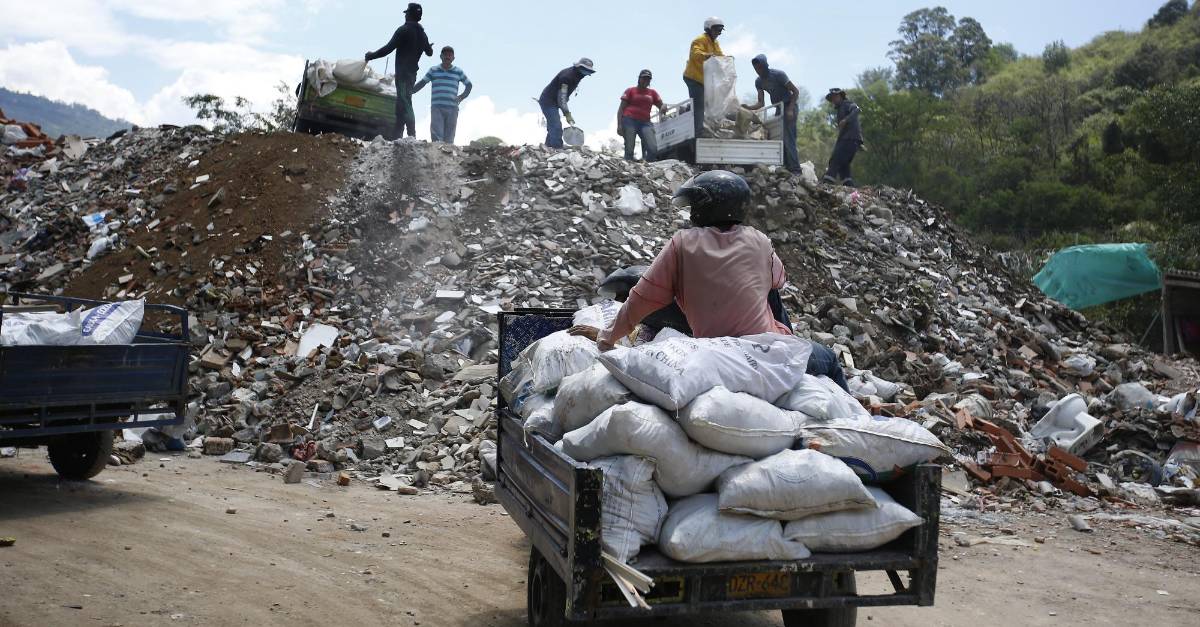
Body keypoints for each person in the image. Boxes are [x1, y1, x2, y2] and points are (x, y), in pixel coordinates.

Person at [570, 170, 849, 389]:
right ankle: (859, 422)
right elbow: (779, 281)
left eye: (694, 206)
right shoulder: (759, 240)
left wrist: (607, 339)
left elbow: (640, 300)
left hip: (720, 357)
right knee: (830, 361)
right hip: (769, 354)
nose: (691, 213)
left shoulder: (682, 244)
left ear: (705, 207)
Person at [365, 2, 434, 139]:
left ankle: (411, 134)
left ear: (409, 14)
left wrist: (371, 55)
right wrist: (428, 46)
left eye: (407, 13)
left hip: (403, 74)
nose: (405, 15)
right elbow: (430, 52)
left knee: (405, 101)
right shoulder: (422, 34)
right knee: (401, 103)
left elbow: (388, 49)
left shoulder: (404, 30)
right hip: (412, 73)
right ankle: (397, 135)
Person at [745, 54, 802, 174]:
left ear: (766, 65)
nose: (758, 71)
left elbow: (795, 91)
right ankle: (787, 167)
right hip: (778, 108)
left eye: (760, 67)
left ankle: (796, 170)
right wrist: (747, 108)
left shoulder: (778, 75)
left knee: (789, 138)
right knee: (779, 139)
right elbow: (761, 103)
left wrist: (790, 109)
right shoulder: (759, 81)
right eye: (756, 69)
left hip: (788, 105)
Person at [414, 46, 472, 143]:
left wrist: (461, 97)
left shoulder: (458, 72)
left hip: (452, 108)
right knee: (437, 138)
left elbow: (469, 85)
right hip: (437, 108)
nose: (447, 57)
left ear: (453, 58)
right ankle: (436, 157)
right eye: (445, 55)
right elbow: (423, 82)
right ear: (441, 56)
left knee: (449, 139)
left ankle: (447, 157)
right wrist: (411, 91)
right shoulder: (433, 70)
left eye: (450, 55)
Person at [538, 58, 595, 148]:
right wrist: (567, 114)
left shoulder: (578, 75)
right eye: (584, 69)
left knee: (553, 125)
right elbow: (561, 99)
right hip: (548, 101)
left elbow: (563, 96)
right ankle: (557, 149)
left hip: (556, 100)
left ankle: (548, 147)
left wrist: (565, 99)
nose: (586, 73)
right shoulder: (567, 76)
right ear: (578, 67)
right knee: (556, 125)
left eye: (588, 71)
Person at [682, 17, 725, 138]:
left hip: (704, 79)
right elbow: (695, 53)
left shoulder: (715, 43)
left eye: (720, 31)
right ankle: (698, 133)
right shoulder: (699, 40)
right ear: (709, 29)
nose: (718, 33)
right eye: (716, 30)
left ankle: (687, 110)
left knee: (707, 102)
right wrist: (706, 55)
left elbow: (720, 55)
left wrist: (727, 60)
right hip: (693, 77)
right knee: (700, 105)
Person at [617, 70, 665, 161]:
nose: (646, 81)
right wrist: (619, 125)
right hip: (629, 120)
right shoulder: (630, 90)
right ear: (639, 79)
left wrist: (663, 107)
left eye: (648, 79)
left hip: (645, 122)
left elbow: (661, 105)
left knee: (653, 148)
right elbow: (621, 109)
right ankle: (628, 166)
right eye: (644, 78)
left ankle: (647, 165)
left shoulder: (652, 93)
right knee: (629, 148)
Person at [822, 88, 864, 186]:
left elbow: (857, 110)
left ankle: (826, 184)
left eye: (835, 97)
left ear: (840, 96)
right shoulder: (840, 109)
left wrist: (846, 120)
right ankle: (849, 186)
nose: (833, 100)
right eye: (832, 99)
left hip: (850, 139)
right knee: (844, 165)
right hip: (849, 140)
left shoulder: (847, 104)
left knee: (835, 160)